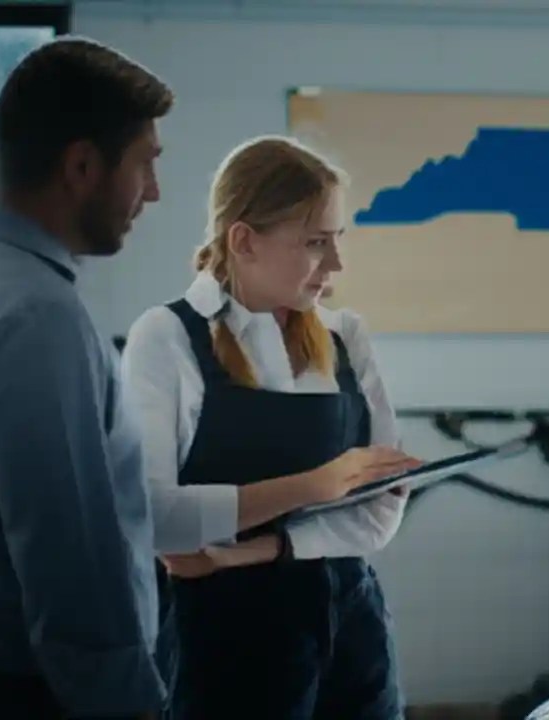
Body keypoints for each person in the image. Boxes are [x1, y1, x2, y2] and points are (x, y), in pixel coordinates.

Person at [120, 135, 418, 720]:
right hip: (226, 640)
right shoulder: (167, 337)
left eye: (337, 240)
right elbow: (155, 518)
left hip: (352, 629)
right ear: (244, 240)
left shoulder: (345, 336)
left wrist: (255, 549)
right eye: (314, 243)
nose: (336, 265)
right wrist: (319, 486)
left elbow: (381, 512)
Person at [0, 37, 172, 718]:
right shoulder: (39, 316)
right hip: (35, 692)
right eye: (145, 165)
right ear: (83, 166)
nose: (153, 191)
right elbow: (70, 565)